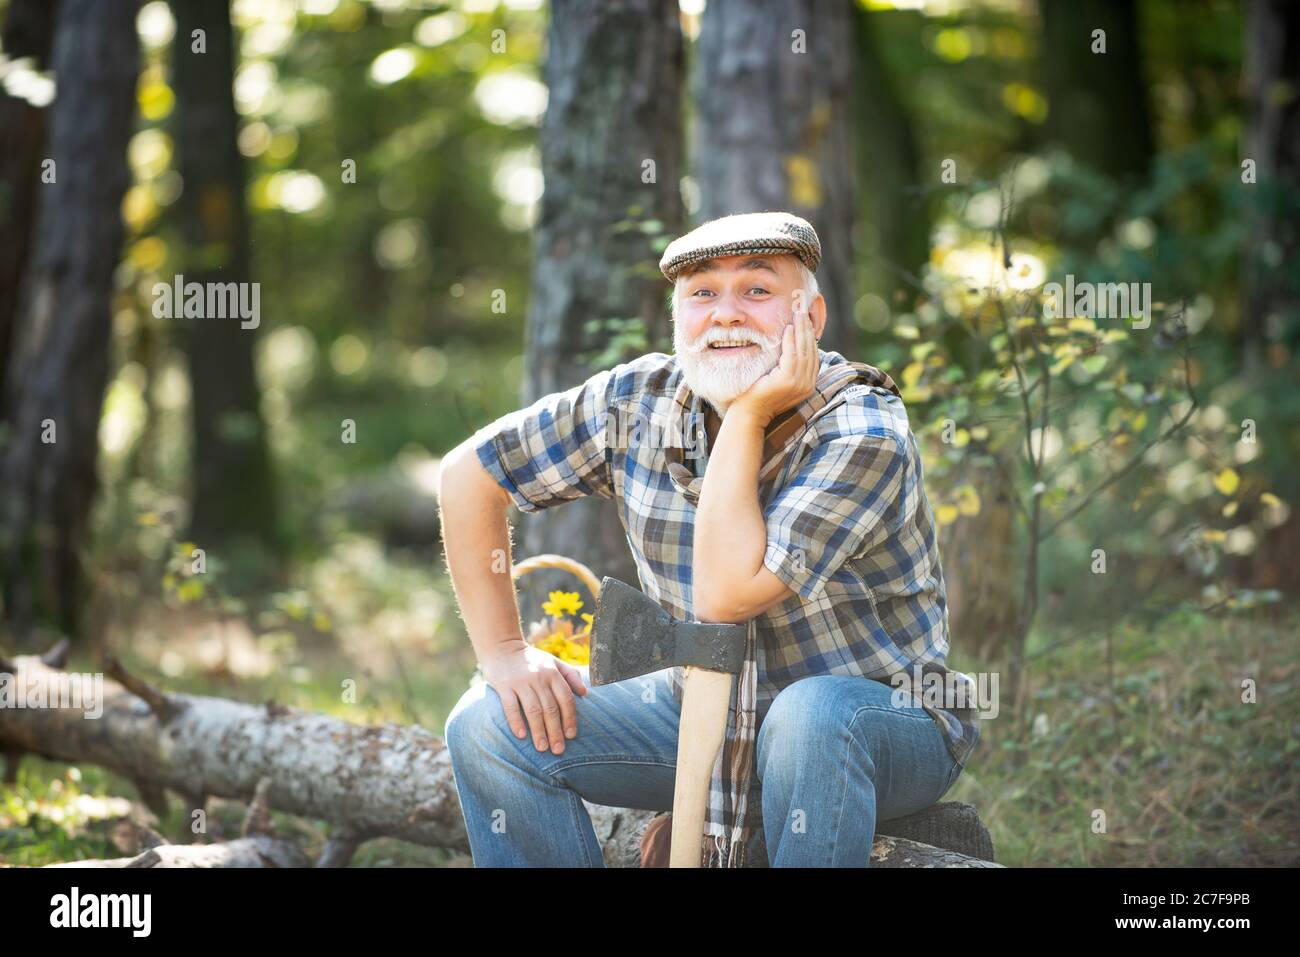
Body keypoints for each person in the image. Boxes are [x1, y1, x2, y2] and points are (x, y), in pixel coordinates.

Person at [438, 211, 982, 867]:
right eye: (702, 293)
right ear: (678, 318)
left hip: (879, 722)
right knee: (488, 725)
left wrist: (749, 414)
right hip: (699, 711)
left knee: (811, 716)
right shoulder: (637, 400)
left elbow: (726, 595)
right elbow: (470, 474)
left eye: (756, 290)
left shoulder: (863, 427)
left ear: (810, 318)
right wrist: (503, 652)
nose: (725, 313)